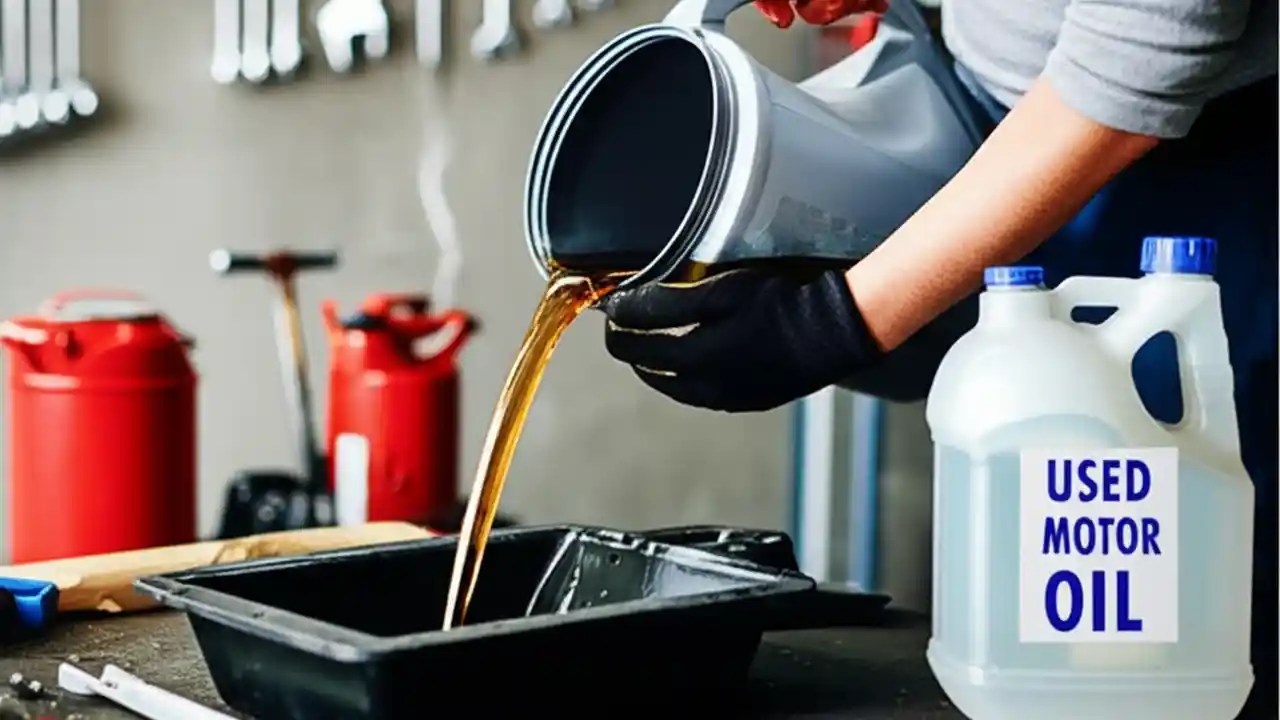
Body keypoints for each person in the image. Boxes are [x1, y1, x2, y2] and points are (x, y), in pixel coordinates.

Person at [600, 0, 1277, 715]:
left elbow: (1151, 45)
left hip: (1204, 154)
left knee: (1195, 588)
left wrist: (831, 323)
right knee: (1053, 581)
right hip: (1006, 120)